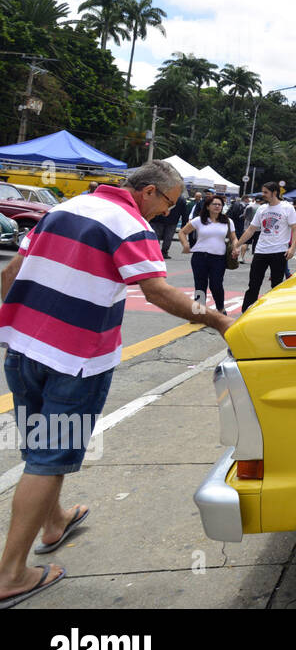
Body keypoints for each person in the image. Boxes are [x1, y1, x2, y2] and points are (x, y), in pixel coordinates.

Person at [0, 161, 233, 608]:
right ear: (148, 192)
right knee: (49, 458)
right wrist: (219, 321)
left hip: (23, 350)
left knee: (36, 444)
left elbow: (14, 269)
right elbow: (159, 292)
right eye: (170, 202)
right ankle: (11, 572)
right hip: (75, 358)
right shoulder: (130, 224)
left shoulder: (67, 207)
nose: (169, 212)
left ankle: (54, 523)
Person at [235, 182, 296, 311]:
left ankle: (274, 311)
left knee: (276, 285)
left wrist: (292, 248)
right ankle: (246, 311)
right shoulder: (262, 208)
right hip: (261, 251)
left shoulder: (287, 208)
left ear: (274, 192)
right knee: (253, 283)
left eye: (265, 192)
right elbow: (251, 229)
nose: (263, 195)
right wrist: (237, 244)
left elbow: (295, 228)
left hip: (279, 251)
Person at [180, 193, 237, 314]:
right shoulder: (199, 220)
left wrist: (235, 248)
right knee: (200, 285)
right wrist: (185, 245)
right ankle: (198, 312)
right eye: (214, 204)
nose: (217, 206)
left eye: (220, 205)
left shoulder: (227, 221)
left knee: (216, 284)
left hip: (219, 258)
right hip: (200, 257)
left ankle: (221, 309)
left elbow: (234, 238)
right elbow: (182, 232)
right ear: (207, 206)